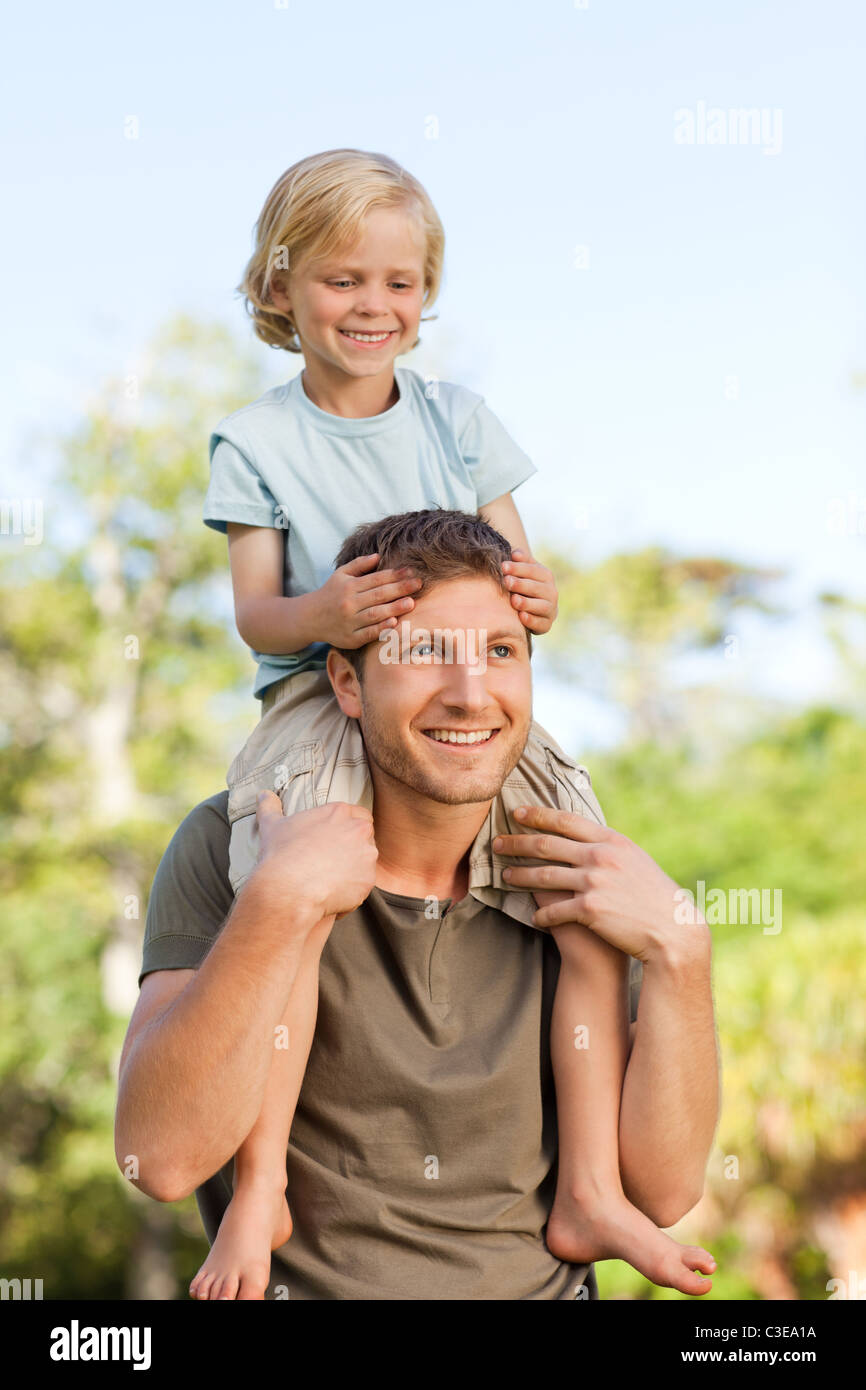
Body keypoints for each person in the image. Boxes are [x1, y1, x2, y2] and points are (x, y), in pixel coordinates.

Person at [114, 509, 721, 1301]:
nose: (471, 696)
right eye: (424, 652)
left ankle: (587, 1196)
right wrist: (280, 900)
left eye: (501, 652)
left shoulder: (578, 869)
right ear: (346, 682)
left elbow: (668, 1193)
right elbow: (157, 1159)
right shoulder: (233, 843)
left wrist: (683, 951)